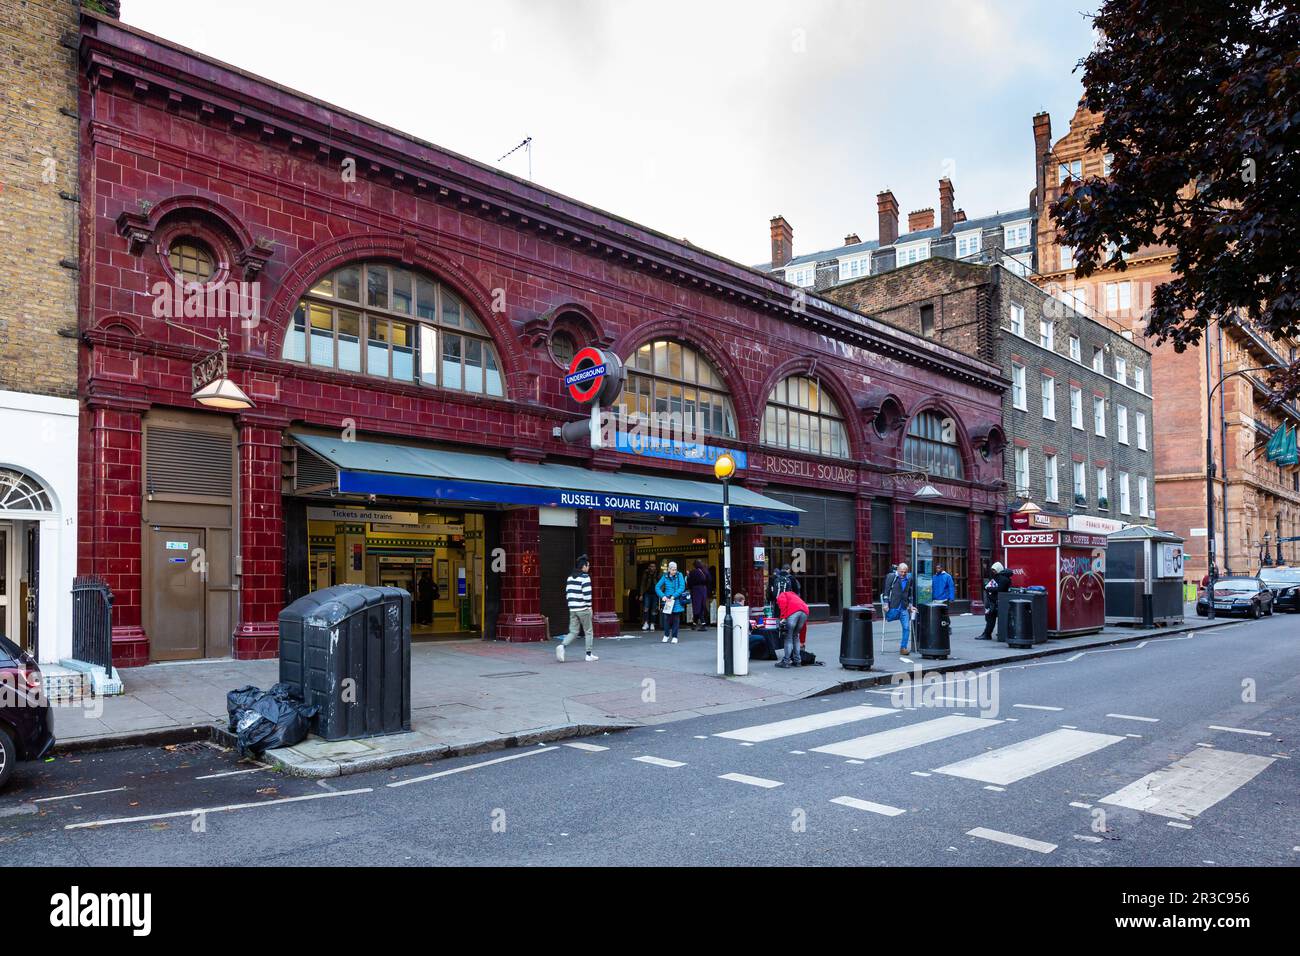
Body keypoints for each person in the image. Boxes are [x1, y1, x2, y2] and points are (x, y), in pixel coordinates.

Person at [557, 555, 597, 663]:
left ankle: (562, 646)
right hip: (584, 609)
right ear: (583, 566)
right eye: (588, 566)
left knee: (573, 631)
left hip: (573, 609)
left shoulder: (570, 577)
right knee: (588, 631)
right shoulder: (585, 577)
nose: (589, 568)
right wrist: (589, 607)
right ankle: (588, 654)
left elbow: (568, 594)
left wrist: (571, 606)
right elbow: (587, 595)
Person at [884, 561, 917, 657]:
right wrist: (886, 604)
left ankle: (903, 648)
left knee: (906, 628)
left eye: (905, 572)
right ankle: (890, 615)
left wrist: (910, 606)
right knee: (889, 618)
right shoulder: (891, 577)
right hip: (893, 606)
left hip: (904, 607)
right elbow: (886, 591)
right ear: (897, 570)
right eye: (901, 571)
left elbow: (909, 593)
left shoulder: (909, 578)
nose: (903, 574)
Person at [774, 587, 810, 669]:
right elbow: (804, 626)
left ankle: (786, 661)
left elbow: (783, 604)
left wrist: (783, 617)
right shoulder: (796, 596)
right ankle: (797, 661)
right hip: (805, 611)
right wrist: (803, 640)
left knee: (788, 637)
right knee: (795, 636)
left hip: (793, 612)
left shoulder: (781, 595)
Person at [978, 561, 1014, 640]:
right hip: (995, 601)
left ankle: (987, 634)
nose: (993, 571)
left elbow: (1000, 589)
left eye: (994, 570)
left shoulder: (1002, 578)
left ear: (998, 569)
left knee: (990, 618)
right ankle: (987, 634)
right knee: (991, 618)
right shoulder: (1001, 577)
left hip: (995, 602)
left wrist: (988, 588)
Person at [655, 561, 687, 644]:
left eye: (675, 569)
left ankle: (675, 636)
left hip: (676, 600)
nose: (674, 571)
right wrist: (663, 596)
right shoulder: (665, 576)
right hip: (668, 600)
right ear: (669, 569)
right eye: (672, 570)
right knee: (666, 619)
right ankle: (666, 635)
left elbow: (682, 587)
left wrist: (674, 596)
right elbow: (657, 587)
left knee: (676, 619)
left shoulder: (679, 575)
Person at [687, 559, 711, 631]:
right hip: (703, 590)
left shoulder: (693, 572)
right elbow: (709, 580)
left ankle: (703, 624)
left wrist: (688, 576)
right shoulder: (705, 571)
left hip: (696, 590)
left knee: (697, 607)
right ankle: (694, 624)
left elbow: (690, 583)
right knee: (701, 606)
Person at [639, 561, 660, 631]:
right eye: (651, 566)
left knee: (654, 609)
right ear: (649, 567)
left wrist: (661, 593)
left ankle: (652, 623)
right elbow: (642, 584)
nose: (652, 568)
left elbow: (661, 584)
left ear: (655, 567)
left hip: (655, 594)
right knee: (646, 608)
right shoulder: (646, 573)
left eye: (653, 566)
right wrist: (641, 594)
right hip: (647, 593)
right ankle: (646, 623)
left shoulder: (658, 574)